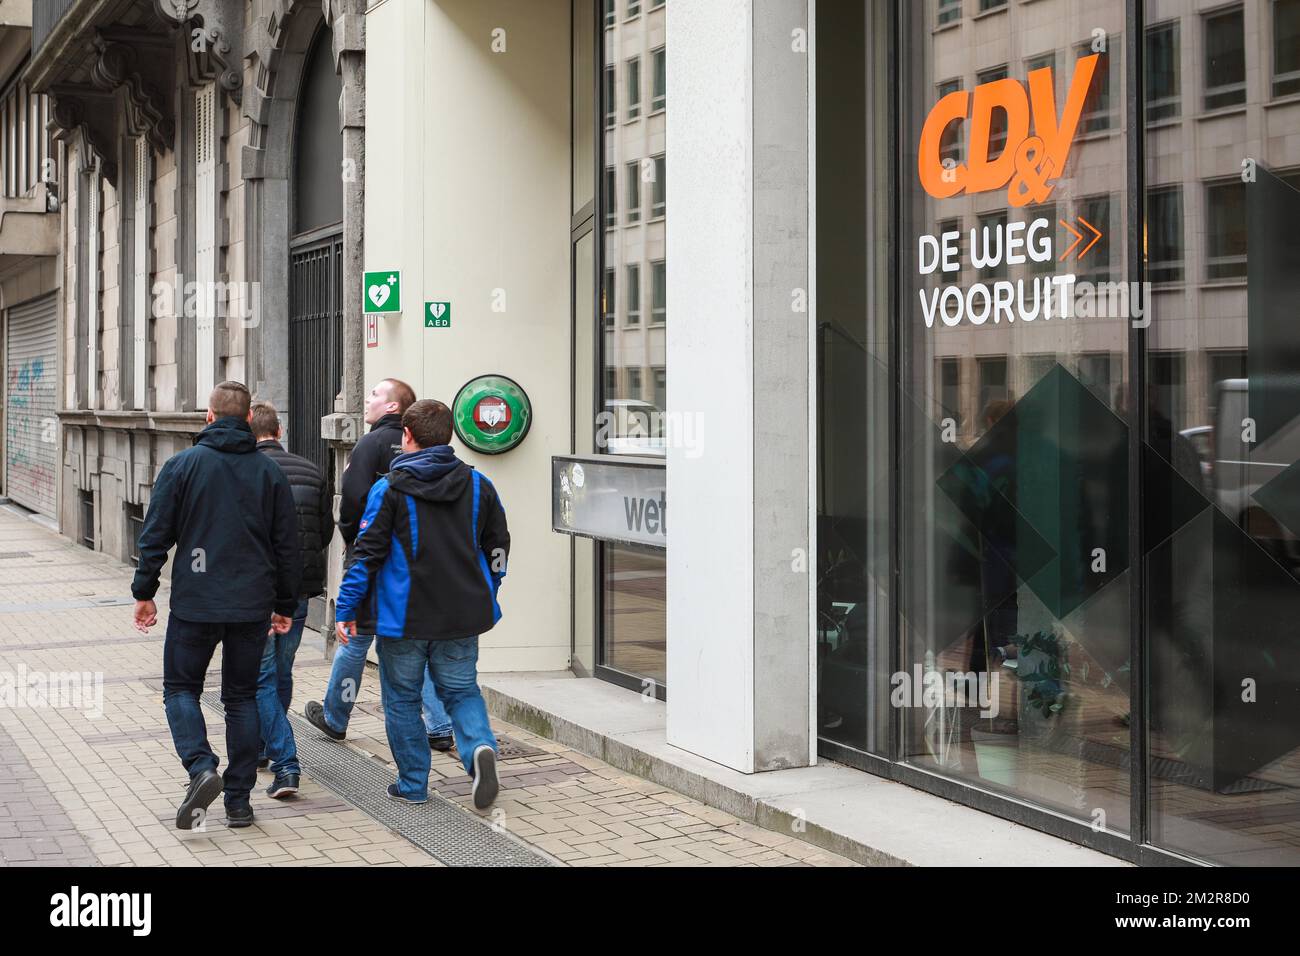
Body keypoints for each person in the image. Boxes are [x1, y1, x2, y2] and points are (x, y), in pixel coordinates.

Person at [131, 381, 301, 830]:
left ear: (208, 417)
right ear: (248, 420)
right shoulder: (269, 473)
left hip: (195, 604)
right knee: (242, 698)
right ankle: (240, 801)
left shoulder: (183, 466)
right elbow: (289, 546)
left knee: (180, 690)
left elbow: (155, 535)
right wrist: (285, 603)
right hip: (251, 606)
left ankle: (201, 768)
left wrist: (144, 592)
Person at [334, 399, 509, 809]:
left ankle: (413, 785)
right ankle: (479, 749)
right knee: (462, 691)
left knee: (403, 699)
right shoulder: (480, 484)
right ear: (449, 435)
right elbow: (498, 545)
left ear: (407, 437)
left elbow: (366, 555)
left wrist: (347, 607)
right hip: (462, 614)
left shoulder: (389, 488)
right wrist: (490, 586)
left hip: (404, 619)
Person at [304, 379, 453, 749]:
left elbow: (352, 500)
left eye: (374, 394)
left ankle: (336, 717)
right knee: (420, 640)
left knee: (354, 640)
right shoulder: (430, 448)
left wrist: (356, 542)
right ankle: (440, 726)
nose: (367, 399)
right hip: (418, 565)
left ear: (391, 408)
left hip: (374, 561)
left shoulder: (370, 444)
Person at [250, 401, 335, 799]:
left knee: (262, 677)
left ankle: (283, 760)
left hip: (261, 592)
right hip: (299, 591)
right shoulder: (312, 470)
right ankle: (269, 743)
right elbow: (324, 531)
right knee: (281, 671)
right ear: (279, 431)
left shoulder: (248, 473)